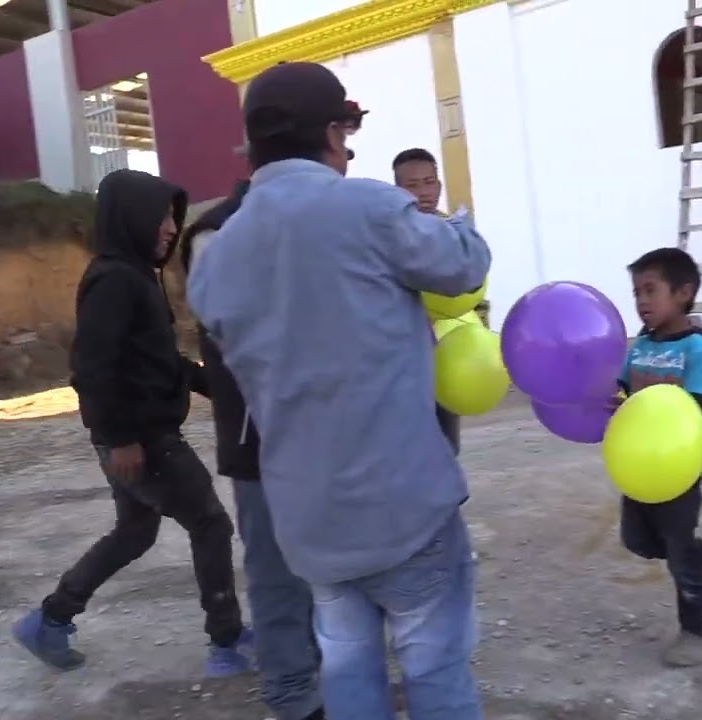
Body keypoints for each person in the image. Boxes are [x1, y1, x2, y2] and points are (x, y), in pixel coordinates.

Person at [187, 62, 491, 720]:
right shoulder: (371, 206)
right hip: (403, 507)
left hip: (308, 523)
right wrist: (459, 223)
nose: (349, 153)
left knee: (349, 670)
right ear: (330, 134)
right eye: (347, 138)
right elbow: (463, 264)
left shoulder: (217, 254)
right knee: (434, 666)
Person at [11, 169, 253, 678]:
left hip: (140, 436)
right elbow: (92, 368)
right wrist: (119, 438)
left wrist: (227, 388)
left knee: (135, 532)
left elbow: (162, 362)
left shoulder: (138, 275)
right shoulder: (115, 279)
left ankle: (50, 620)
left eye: (173, 216)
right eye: (162, 217)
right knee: (210, 523)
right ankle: (228, 643)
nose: (171, 227)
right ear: (131, 217)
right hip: (143, 440)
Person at [179, 182, 324, 720]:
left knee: (319, 564)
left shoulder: (316, 213)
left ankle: (313, 668)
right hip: (257, 439)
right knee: (275, 571)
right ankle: (291, 692)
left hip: (317, 434)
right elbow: (233, 328)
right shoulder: (218, 231)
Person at [615, 247, 702, 668]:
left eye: (651, 290)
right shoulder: (640, 344)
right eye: (636, 292)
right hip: (639, 464)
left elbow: (694, 408)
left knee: (676, 551)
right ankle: (701, 555)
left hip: (680, 466)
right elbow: (622, 390)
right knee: (637, 539)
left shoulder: (696, 348)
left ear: (683, 293)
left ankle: (696, 630)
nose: (642, 300)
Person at [392, 147, 461, 455]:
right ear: (397, 189)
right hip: (403, 361)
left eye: (430, 182)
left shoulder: (456, 232)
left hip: (450, 358)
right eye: (413, 185)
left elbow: (474, 297)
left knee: (446, 446)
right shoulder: (389, 236)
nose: (424, 192)